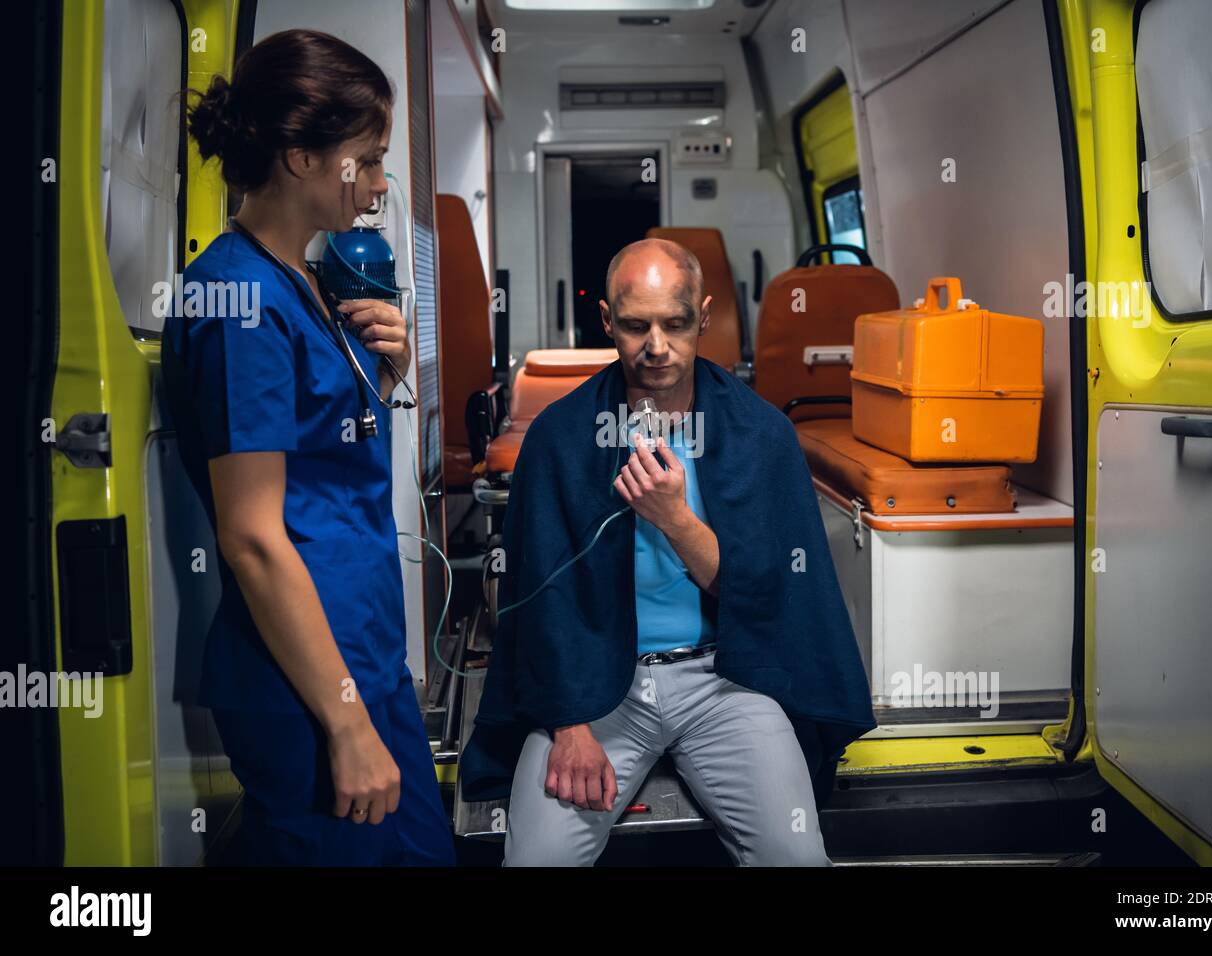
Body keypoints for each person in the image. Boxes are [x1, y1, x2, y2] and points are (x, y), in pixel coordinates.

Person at [459, 238, 876, 865]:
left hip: (724, 683)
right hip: (597, 689)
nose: (656, 346)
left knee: (795, 855)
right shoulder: (560, 436)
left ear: (703, 317)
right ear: (606, 321)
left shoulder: (760, 434)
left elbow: (761, 594)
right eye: (635, 325)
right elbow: (539, 601)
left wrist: (674, 519)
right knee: (536, 859)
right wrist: (569, 726)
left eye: (676, 324)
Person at [161, 29, 454, 866]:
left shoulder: (306, 282)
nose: (379, 184)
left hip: (360, 653)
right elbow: (253, 537)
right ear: (299, 156)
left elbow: (329, 453)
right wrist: (347, 723)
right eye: (368, 158)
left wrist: (389, 371)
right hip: (310, 689)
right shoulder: (238, 299)